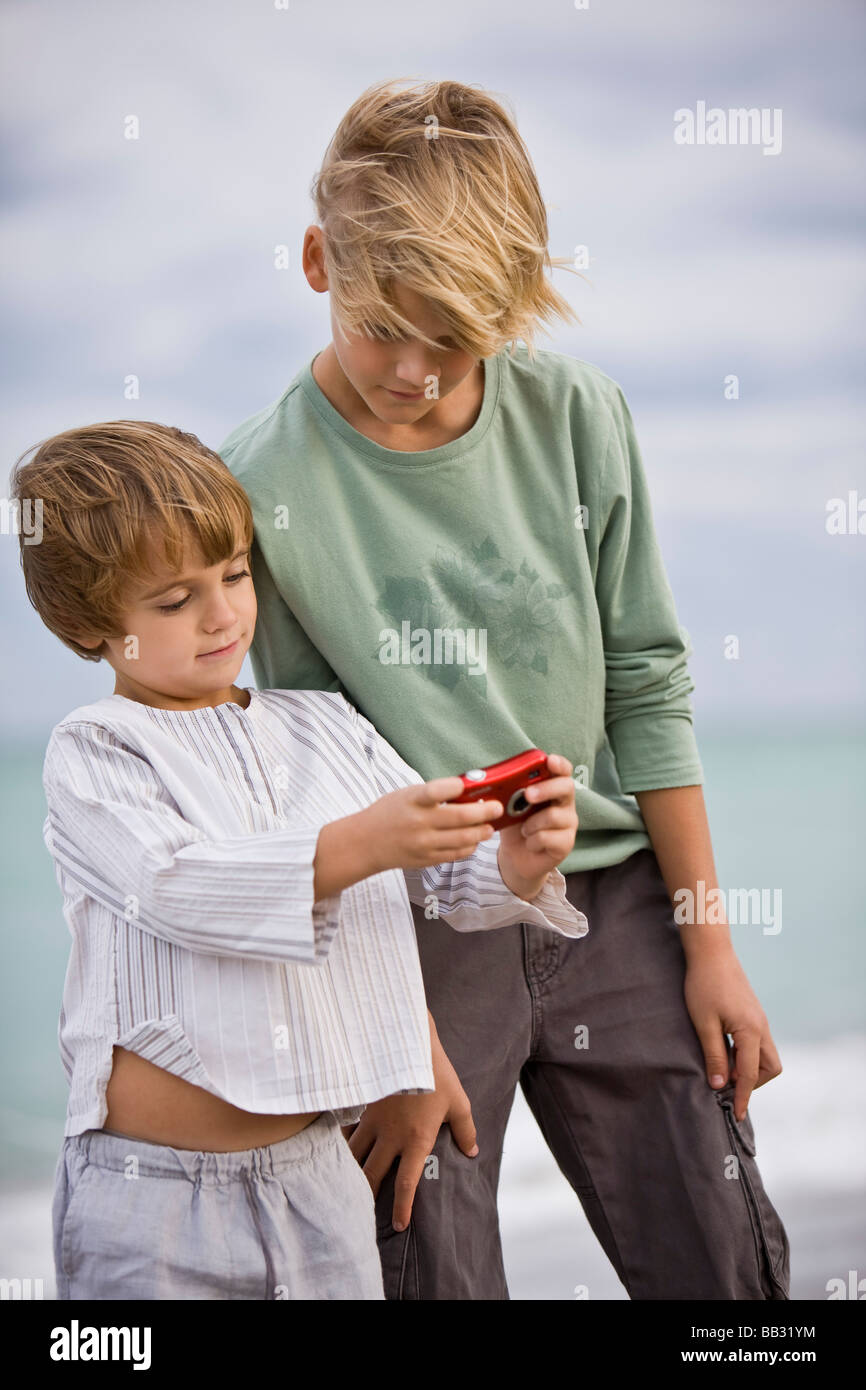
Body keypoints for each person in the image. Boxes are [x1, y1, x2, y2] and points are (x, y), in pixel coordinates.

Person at [219, 77, 791, 1300]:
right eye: (386, 328)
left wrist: (708, 943)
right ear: (319, 260)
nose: (416, 373)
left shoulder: (576, 416)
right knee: (423, 1256)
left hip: (619, 900)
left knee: (721, 1258)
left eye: (456, 339)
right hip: (417, 933)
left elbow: (645, 677)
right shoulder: (256, 483)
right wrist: (393, 1031)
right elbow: (312, 769)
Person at [10, 419, 585, 1300]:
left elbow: (435, 884)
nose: (223, 613)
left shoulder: (326, 726)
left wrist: (515, 860)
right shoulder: (98, 750)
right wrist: (361, 842)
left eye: (236, 573)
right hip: (147, 1195)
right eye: (174, 601)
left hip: (317, 1176)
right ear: (90, 626)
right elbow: (179, 887)